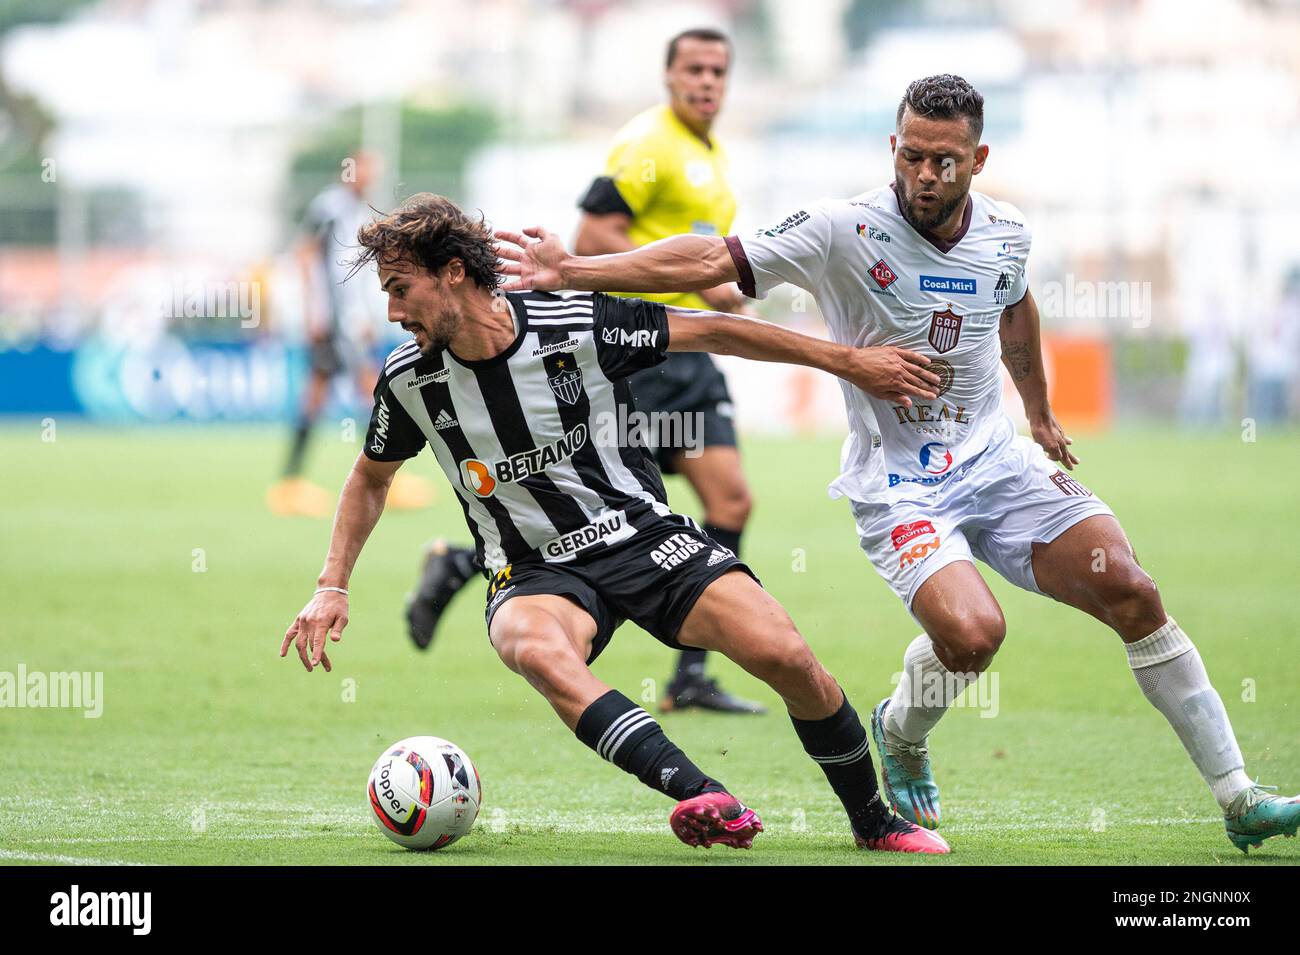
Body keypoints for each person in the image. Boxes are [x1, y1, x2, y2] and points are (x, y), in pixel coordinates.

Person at [495, 75, 1300, 854]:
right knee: (974, 635)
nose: (924, 172)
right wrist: (574, 271)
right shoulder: (843, 227)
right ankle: (900, 728)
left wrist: (1042, 412)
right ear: (893, 145)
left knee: (1133, 589)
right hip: (900, 482)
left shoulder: (1008, 231)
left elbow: (1014, 302)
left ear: (977, 161)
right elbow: (710, 262)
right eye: (910, 154)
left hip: (996, 458)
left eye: (943, 159)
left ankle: (1238, 795)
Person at [279, 192, 949, 853]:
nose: (392, 313)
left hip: (640, 535)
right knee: (535, 648)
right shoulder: (409, 380)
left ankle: (874, 821)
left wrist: (849, 362)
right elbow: (371, 476)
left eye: (401, 289)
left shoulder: (573, 323)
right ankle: (699, 792)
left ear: (453, 271)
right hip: (531, 570)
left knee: (788, 656)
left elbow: (718, 330)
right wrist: (331, 583)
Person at [406, 30, 763, 717]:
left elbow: (695, 261)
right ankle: (471, 560)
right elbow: (595, 232)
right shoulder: (648, 145)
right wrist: (687, 284)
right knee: (609, 504)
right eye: (693, 69)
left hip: (688, 355)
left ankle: (690, 673)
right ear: (668, 76)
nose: (707, 81)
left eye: (718, 70)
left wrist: (711, 290)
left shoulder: (711, 158)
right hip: (641, 350)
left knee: (730, 501)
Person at [267, 150, 431, 516]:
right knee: (361, 390)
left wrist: (363, 316)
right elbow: (307, 255)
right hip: (331, 322)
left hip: (347, 321)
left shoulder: (356, 211)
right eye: (366, 170)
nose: (370, 177)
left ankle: (303, 481)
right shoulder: (330, 208)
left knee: (354, 391)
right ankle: (298, 483)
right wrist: (315, 313)